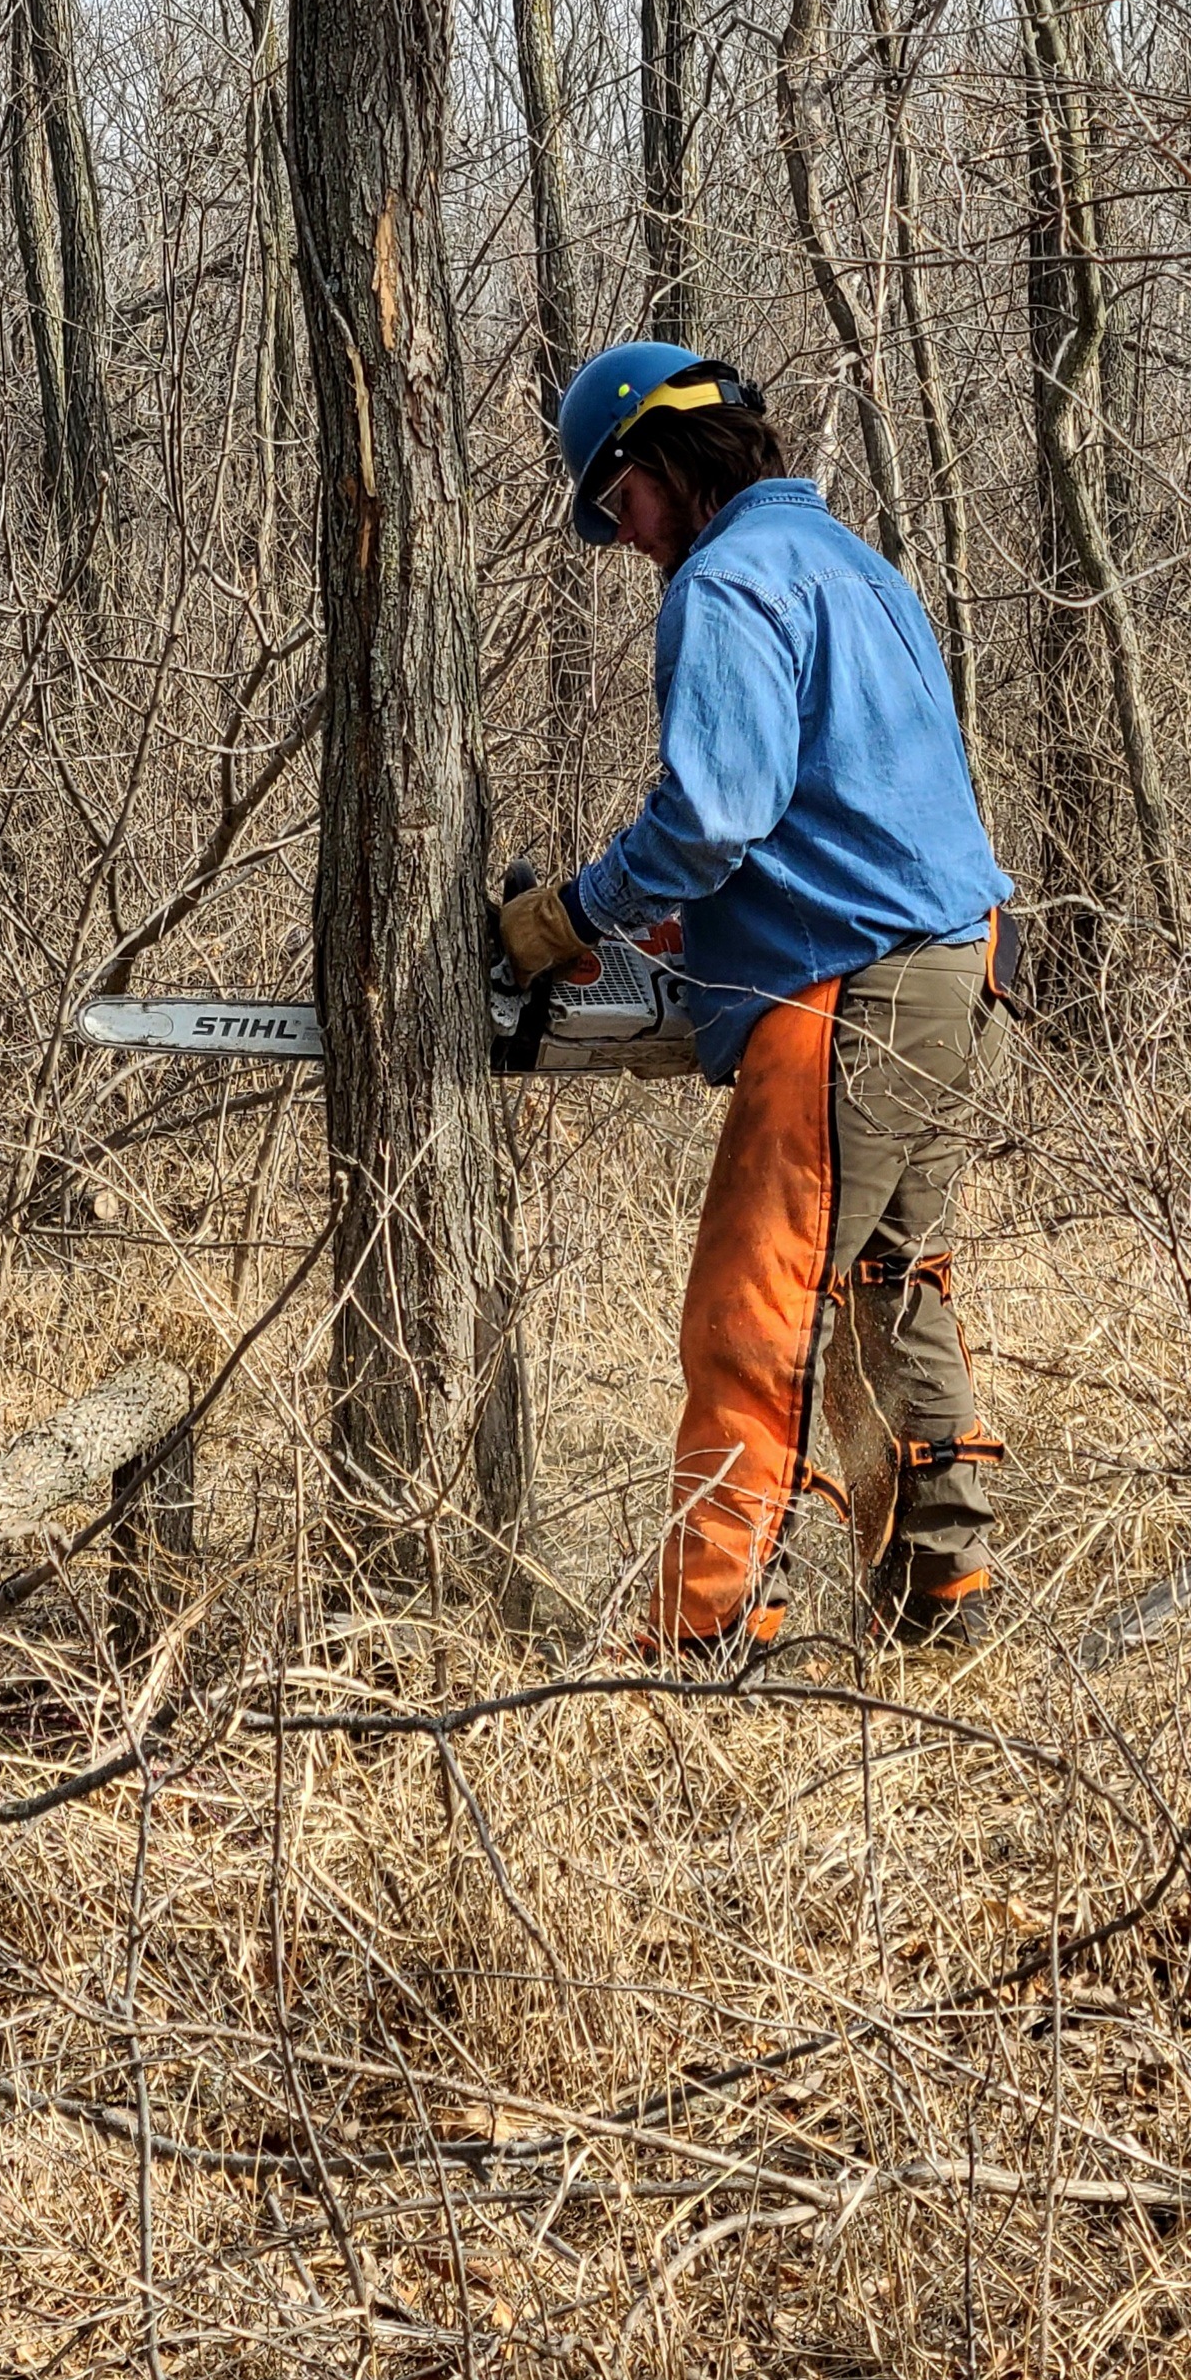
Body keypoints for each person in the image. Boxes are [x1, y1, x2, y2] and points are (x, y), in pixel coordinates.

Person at [500, 343, 1014, 1663]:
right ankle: (942, 1592)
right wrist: (695, 911)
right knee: (892, 1286)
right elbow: (841, 798)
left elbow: (718, 811)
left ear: (661, 464)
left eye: (617, 507)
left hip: (849, 987)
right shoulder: (856, 566)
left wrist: (577, 910)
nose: (623, 541)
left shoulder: (726, 581)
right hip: (954, 957)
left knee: (757, 1302)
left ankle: (712, 1620)